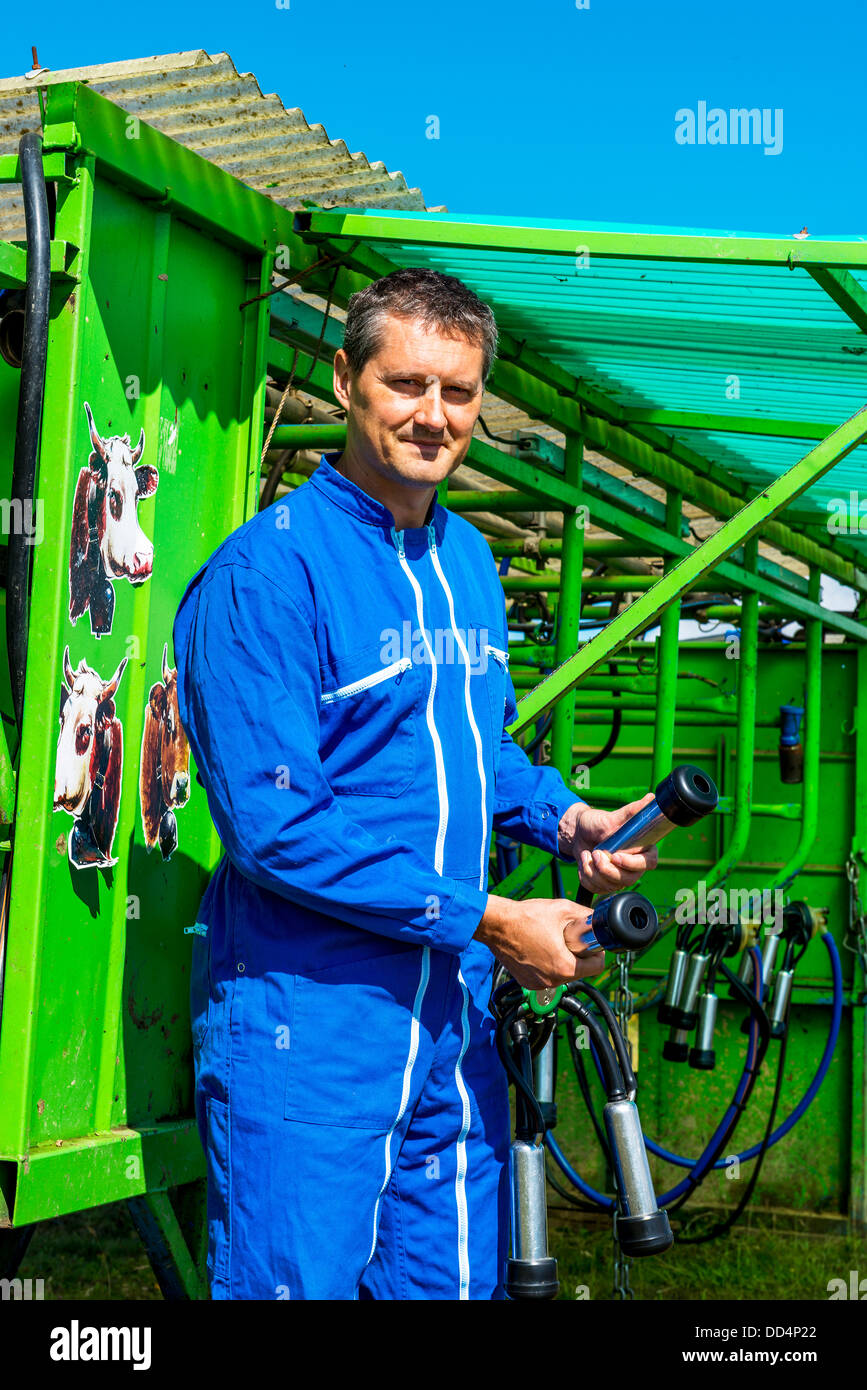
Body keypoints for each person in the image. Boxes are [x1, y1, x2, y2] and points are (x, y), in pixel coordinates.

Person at [173, 266, 658, 1300]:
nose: (434, 416)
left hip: (452, 1027)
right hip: (312, 1028)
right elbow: (274, 826)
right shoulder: (268, 572)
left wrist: (565, 817)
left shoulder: (469, 562)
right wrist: (488, 916)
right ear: (347, 380)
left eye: (460, 391)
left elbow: (475, 752)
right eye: (407, 385)